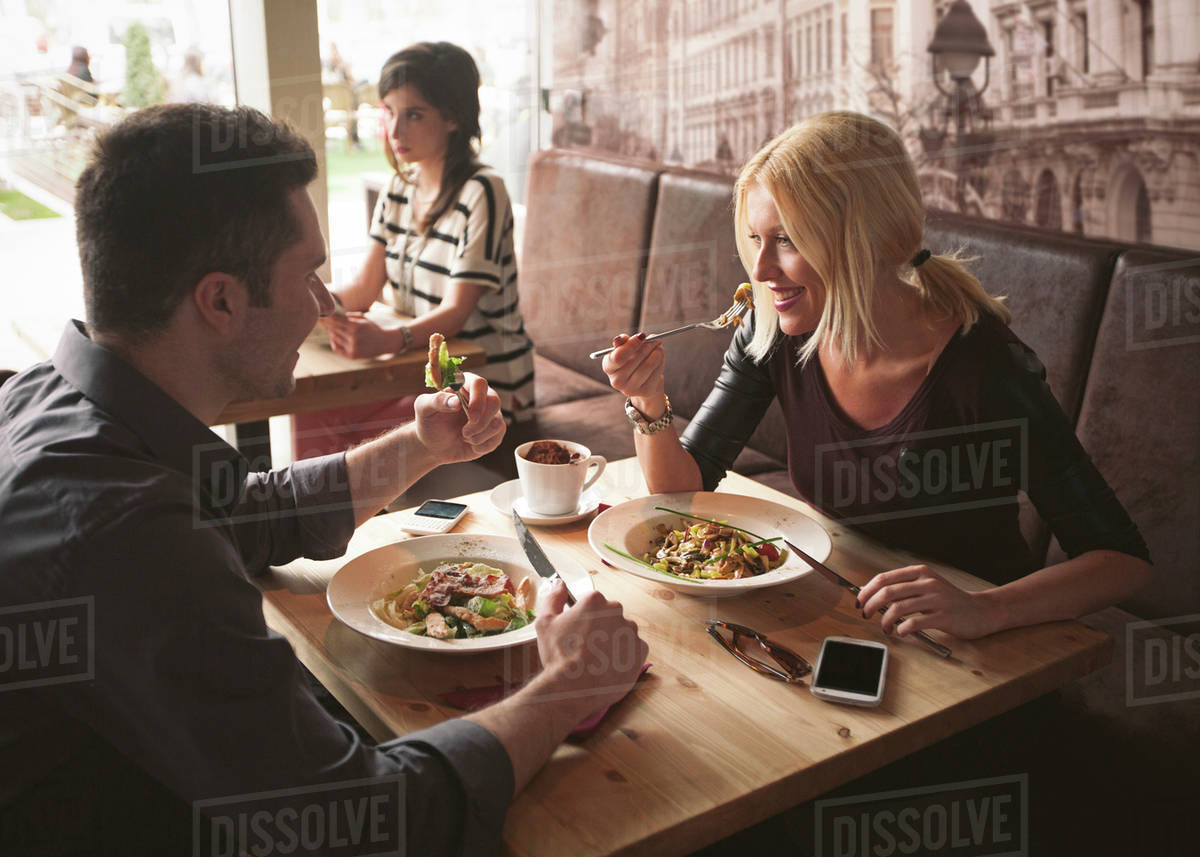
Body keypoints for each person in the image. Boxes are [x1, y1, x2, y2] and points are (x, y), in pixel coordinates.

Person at [0, 103, 646, 856]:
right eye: (307, 273)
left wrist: (421, 445)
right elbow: (363, 820)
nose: (323, 302)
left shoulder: (53, 395)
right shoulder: (123, 534)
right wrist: (570, 684)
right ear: (220, 300)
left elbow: (245, 513)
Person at [602, 111, 1151, 641]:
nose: (762, 270)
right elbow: (681, 489)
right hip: (846, 610)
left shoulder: (985, 367)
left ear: (866, 238)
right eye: (756, 240)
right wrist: (648, 400)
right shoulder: (772, 334)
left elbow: (1121, 561)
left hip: (982, 652)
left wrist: (986, 609)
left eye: (789, 239)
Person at [295, 41, 535, 460]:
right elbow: (364, 289)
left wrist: (388, 339)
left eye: (414, 115)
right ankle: (322, 524)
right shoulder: (399, 188)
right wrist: (304, 300)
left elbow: (457, 312)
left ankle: (345, 520)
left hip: (485, 385)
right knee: (311, 412)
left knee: (352, 428)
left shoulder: (484, 191)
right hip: (417, 376)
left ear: (454, 118)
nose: (396, 131)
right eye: (389, 112)